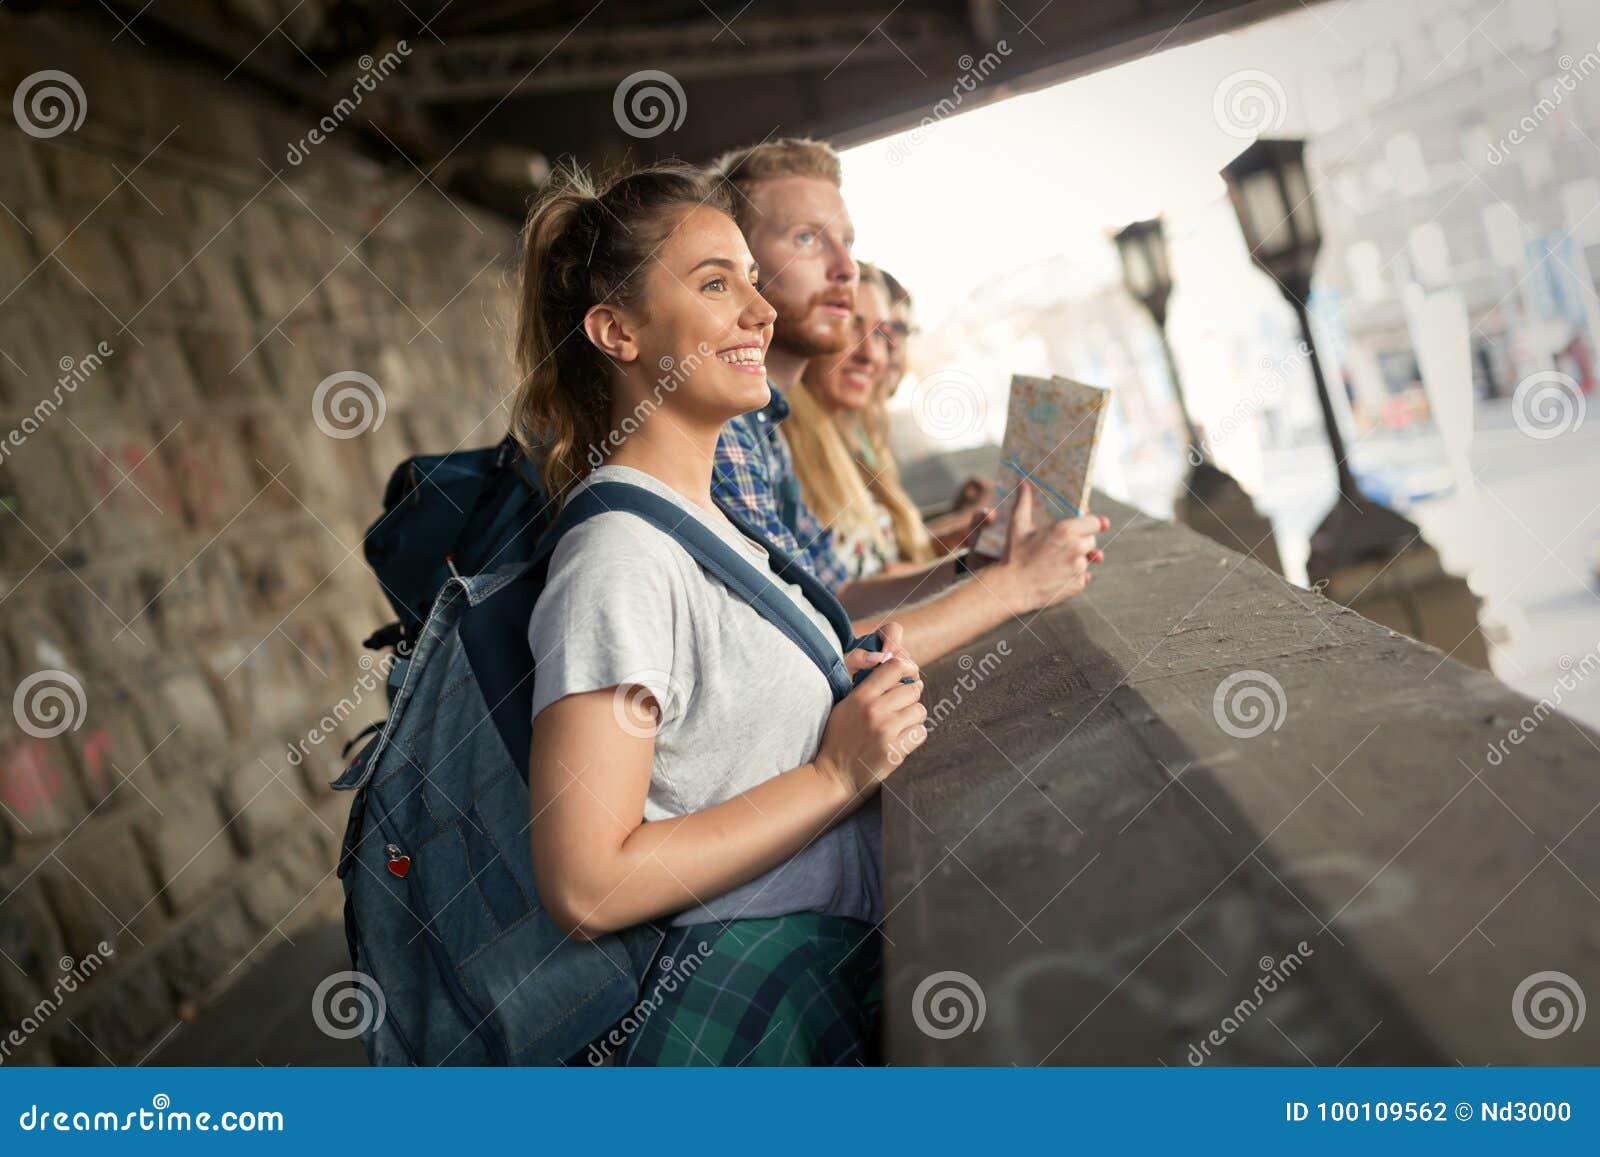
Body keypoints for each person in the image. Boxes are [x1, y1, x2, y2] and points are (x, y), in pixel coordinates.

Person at [511, 161, 926, 1065]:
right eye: (714, 283)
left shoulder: (712, 529)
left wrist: (841, 685)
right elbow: (586, 882)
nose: (760, 307)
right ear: (616, 331)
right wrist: (834, 774)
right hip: (748, 1030)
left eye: (750, 275)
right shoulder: (618, 560)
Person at [707, 138, 1106, 655]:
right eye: (806, 238)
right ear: (741, 263)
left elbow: (831, 594)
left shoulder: (764, 422)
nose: (846, 269)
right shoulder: (725, 428)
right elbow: (796, 660)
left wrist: (974, 564)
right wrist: (1012, 586)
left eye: (846, 242)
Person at [785, 263, 937, 580]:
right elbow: (841, 604)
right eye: (851, 325)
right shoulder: (778, 447)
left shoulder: (840, 435)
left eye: (883, 334)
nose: (872, 354)